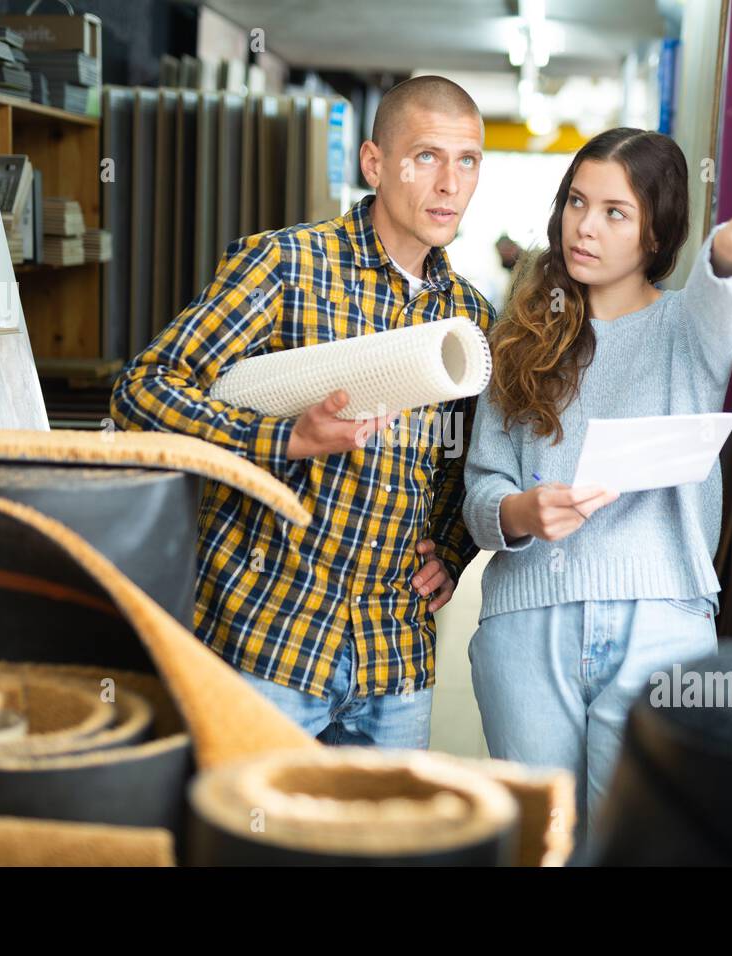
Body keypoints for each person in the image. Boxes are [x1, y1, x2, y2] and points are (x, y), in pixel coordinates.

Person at [111, 76, 495, 749]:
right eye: (427, 157)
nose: (449, 184)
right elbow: (142, 388)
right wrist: (281, 439)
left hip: (393, 656)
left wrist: (454, 552)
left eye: (467, 162)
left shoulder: (468, 317)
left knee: (382, 851)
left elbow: (463, 460)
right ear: (375, 163)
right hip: (270, 638)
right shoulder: (286, 265)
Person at [462, 127, 732, 844]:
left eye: (615, 211)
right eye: (577, 202)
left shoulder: (689, 327)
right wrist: (520, 511)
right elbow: (480, 490)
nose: (584, 226)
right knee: (544, 848)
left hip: (662, 626)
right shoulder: (518, 335)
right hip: (527, 624)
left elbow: (722, 284)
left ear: (656, 234)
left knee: (641, 846)